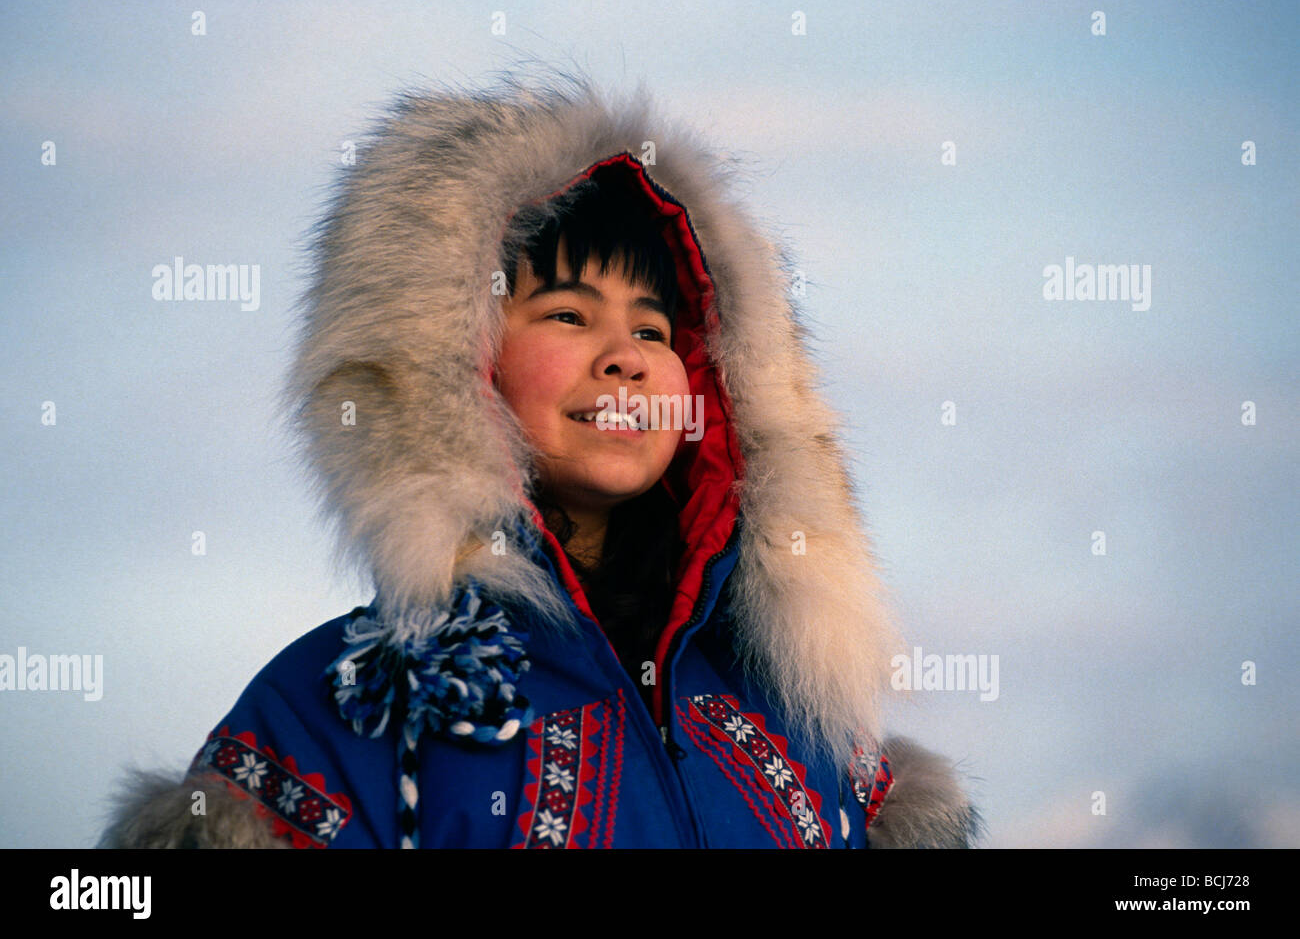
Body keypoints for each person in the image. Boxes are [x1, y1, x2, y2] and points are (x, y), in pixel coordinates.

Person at [99, 70, 981, 849]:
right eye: (568, 314)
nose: (626, 355)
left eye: (653, 328)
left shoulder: (809, 729)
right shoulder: (337, 717)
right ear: (453, 362)